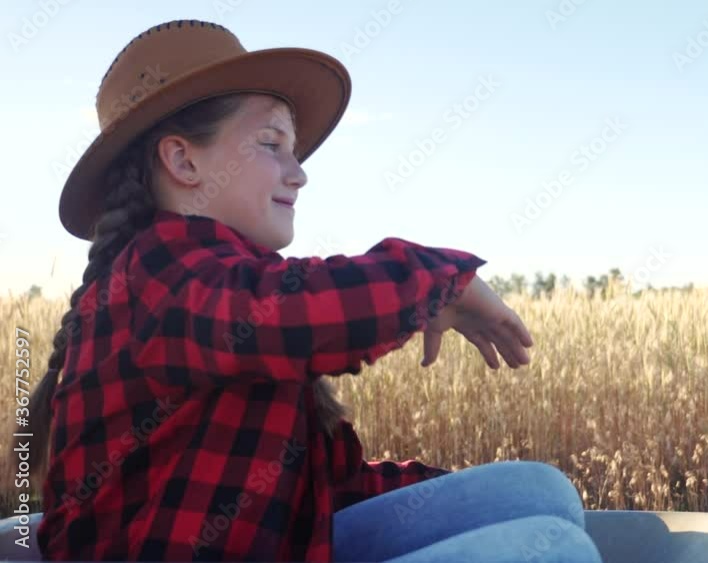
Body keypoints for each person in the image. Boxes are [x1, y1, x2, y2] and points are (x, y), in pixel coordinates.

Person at [23, 18, 603, 562]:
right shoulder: (156, 273)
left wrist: (450, 497)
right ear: (183, 160)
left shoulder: (216, 283)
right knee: (554, 547)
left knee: (538, 492)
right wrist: (438, 281)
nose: (299, 172)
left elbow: (325, 485)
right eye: (272, 144)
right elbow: (290, 311)